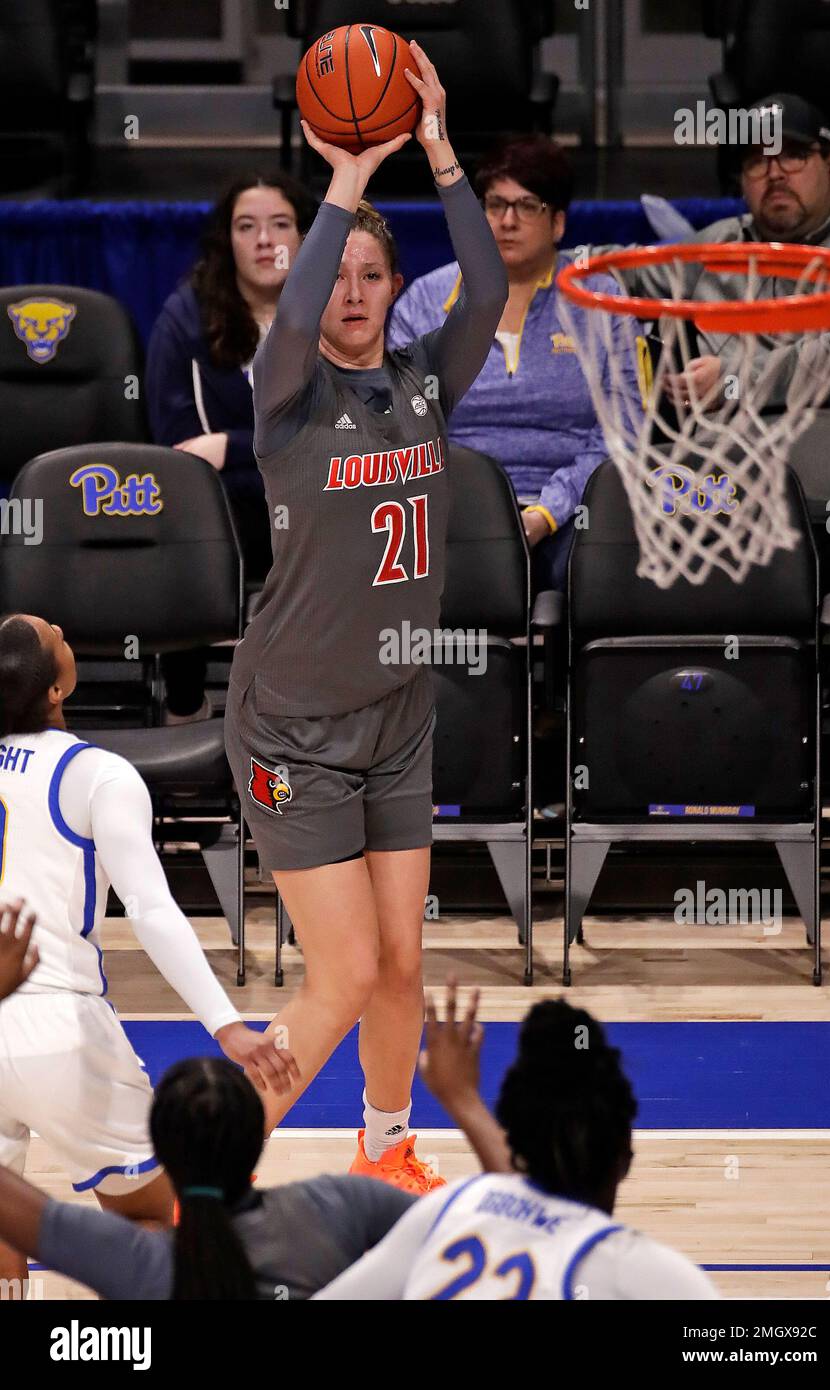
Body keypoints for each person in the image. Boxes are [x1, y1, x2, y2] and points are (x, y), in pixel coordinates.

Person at [223, 41, 508, 1194]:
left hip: (396, 715)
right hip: (291, 727)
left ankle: (386, 1150)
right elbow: (290, 318)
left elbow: (487, 289)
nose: (350, 290)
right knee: (337, 977)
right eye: (333, 272)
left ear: (398, 290)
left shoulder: (427, 382)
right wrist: (343, 180)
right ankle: (192, 1165)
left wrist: (437, 147)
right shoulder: (286, 395)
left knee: (401, 963)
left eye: (372, 275)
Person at [0, 615, 296, 1296]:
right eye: (57, 636)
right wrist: (225, 1023)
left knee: (7, 1227)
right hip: (57, 1026)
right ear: (56, 688)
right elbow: (153, 910)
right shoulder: (97, 774)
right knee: (158, 1225)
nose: (65, 628)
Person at [315, 984, 718, 1300]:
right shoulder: (644, 1274)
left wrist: (463, 1101)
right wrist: (462, 1101)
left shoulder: (443, 1212)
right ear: (625, 1160)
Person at [388, 134, 642, 591]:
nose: (506, 222)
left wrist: (547, 512)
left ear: (558, 223)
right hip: (450, 512)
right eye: (493, 205)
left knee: (601, 568)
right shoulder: (424, 303)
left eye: (526, 206)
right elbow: (401, 426)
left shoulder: (603, 301)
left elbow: (624, 431)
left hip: (578, 512)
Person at [0, 1055, 415, 1300]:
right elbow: (473, 1224)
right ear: (257, 1141)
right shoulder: (338, 1205)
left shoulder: (129, 1257)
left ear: (161, 1151)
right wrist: (465, 1105)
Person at [146, 171, 319, 721]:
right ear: (228, 240)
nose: (265, 240)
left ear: (306, 236)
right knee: (185, 521)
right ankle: (185, 708)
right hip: (223, 509)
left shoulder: (339, 309)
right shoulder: (186, 318)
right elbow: (183, 452)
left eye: (280, 224)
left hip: (319, 498)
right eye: (247, 227)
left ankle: (316, 714)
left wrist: (233, 446)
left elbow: (346, 432)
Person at [606, 94, 830, 414]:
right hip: (719, 446)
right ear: (742, 182)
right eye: (758, 160)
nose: (775, 173)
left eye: (793, 155)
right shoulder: (725, 242)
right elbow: (628, 270)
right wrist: (546, 261)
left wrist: (736, 380)